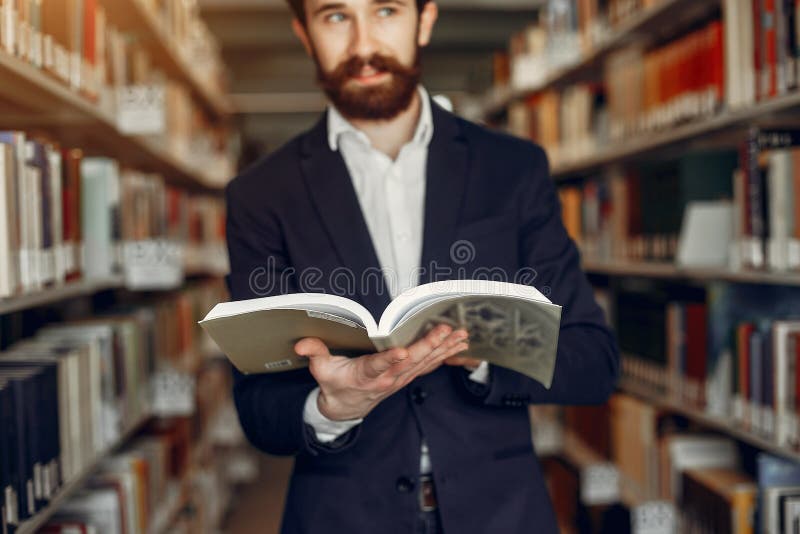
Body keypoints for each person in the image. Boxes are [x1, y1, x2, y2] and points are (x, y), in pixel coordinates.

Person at [223, 0, 620, 532]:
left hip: (501, 512)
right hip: (343, 516)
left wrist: (481, 354)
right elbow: (257, 408)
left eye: (385, 10)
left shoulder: (512, 169)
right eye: (335, 16)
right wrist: (331, 405)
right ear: (303, 32)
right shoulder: (262, 194)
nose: (363, 44)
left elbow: (593, 360)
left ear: (425, 19)